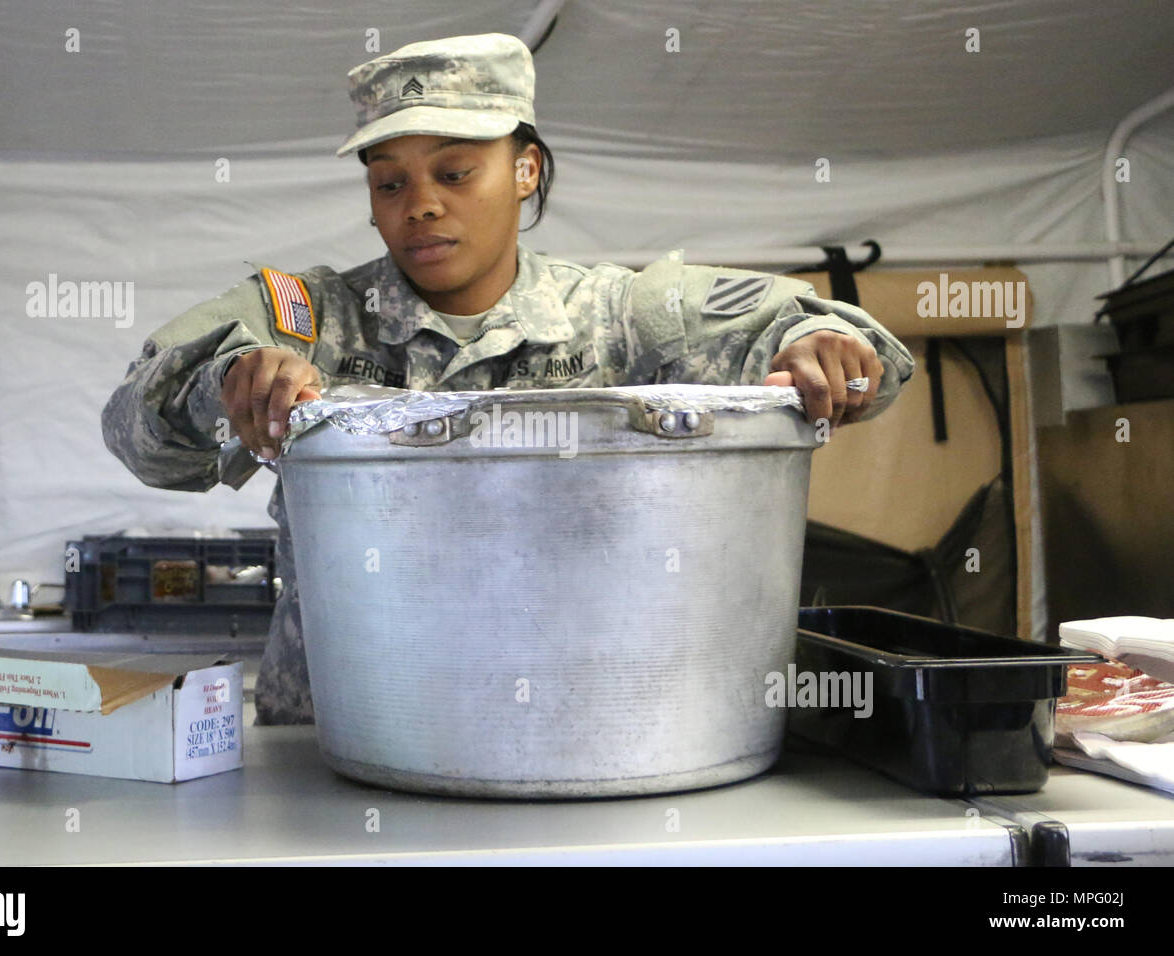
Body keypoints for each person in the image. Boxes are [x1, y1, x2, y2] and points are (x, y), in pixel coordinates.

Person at [102, 32, 916, 725]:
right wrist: (230, 383)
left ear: (526, 171)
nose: (419, 205)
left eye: (454, 173)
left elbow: (819, 338)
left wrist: (822, 344)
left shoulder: (620, 313)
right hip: (338, 734)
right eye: (390, 182)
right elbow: (141, 429)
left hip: (582, 726)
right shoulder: (308, 317)